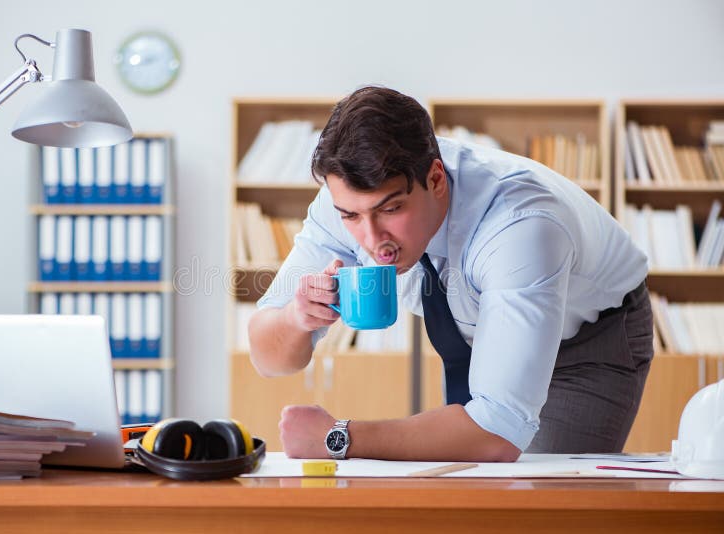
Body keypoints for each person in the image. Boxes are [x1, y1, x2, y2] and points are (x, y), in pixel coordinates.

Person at [247, 86, 653, 462]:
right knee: (460, 485)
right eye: (351, 216)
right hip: (476, 333)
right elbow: (267, 358)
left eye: (391, 210)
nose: (371, 240)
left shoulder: (520, 228)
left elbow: (499, 432)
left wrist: (340, 437)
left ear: (436, 179)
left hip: (588, 337)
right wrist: (295, 319)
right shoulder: (346, 200)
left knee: (532, 500)